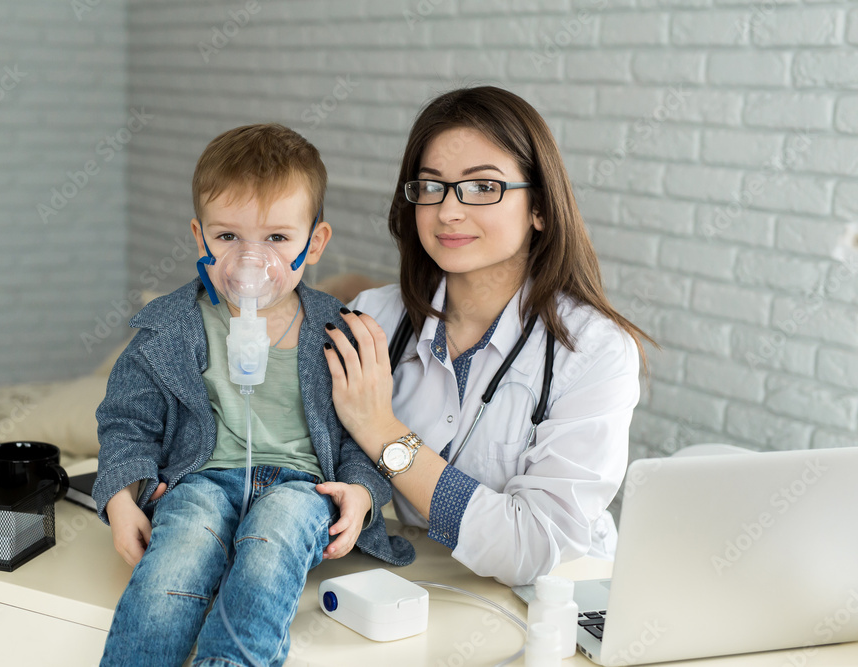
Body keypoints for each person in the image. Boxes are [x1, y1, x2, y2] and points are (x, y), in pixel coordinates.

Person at [93, 123, 413, 667]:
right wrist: (121, 495)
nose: (250, 261)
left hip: (299, 487)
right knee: (179, 553)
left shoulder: (337, 335)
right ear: (200, 237)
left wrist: (360, 492)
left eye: (276, 238)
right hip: (201, 481)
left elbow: (365, 429)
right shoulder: (170, 331)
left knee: (273, 540)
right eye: (227, 238)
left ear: (314, 244)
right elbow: (126, 421)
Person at [323, 86, 653, 587]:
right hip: (423, 584)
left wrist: (381, 431)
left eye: (482, 188)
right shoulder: (372, 322)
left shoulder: (595, 353)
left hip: (554, 603)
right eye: (431, 186)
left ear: (539, 209)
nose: (449, 212)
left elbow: (530, 545)